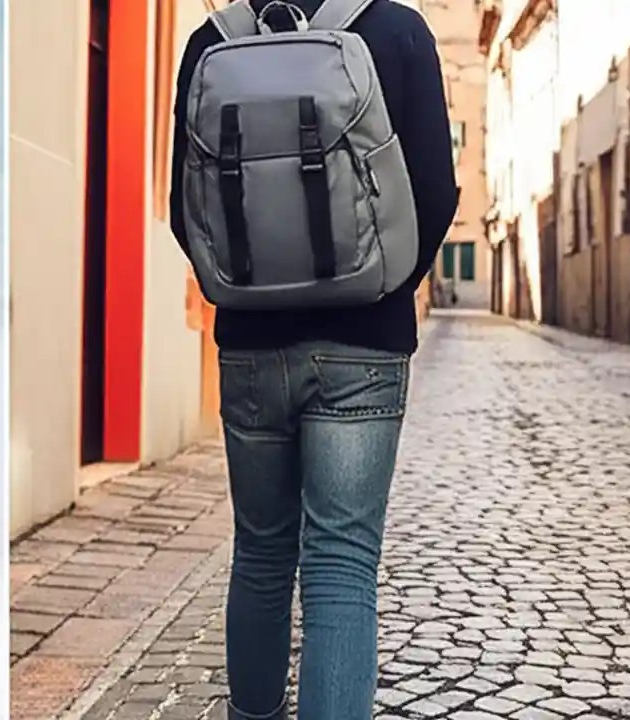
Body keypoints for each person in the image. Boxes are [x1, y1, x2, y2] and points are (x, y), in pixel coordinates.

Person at [168, 1, 459, 718]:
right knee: (341, 568)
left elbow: (186, 209)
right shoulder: (396, 31)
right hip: (367, 342)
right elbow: (437, 191)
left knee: (262, 556)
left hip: (251, 345)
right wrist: (385, 283)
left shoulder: (213, 41)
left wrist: (243, 289)